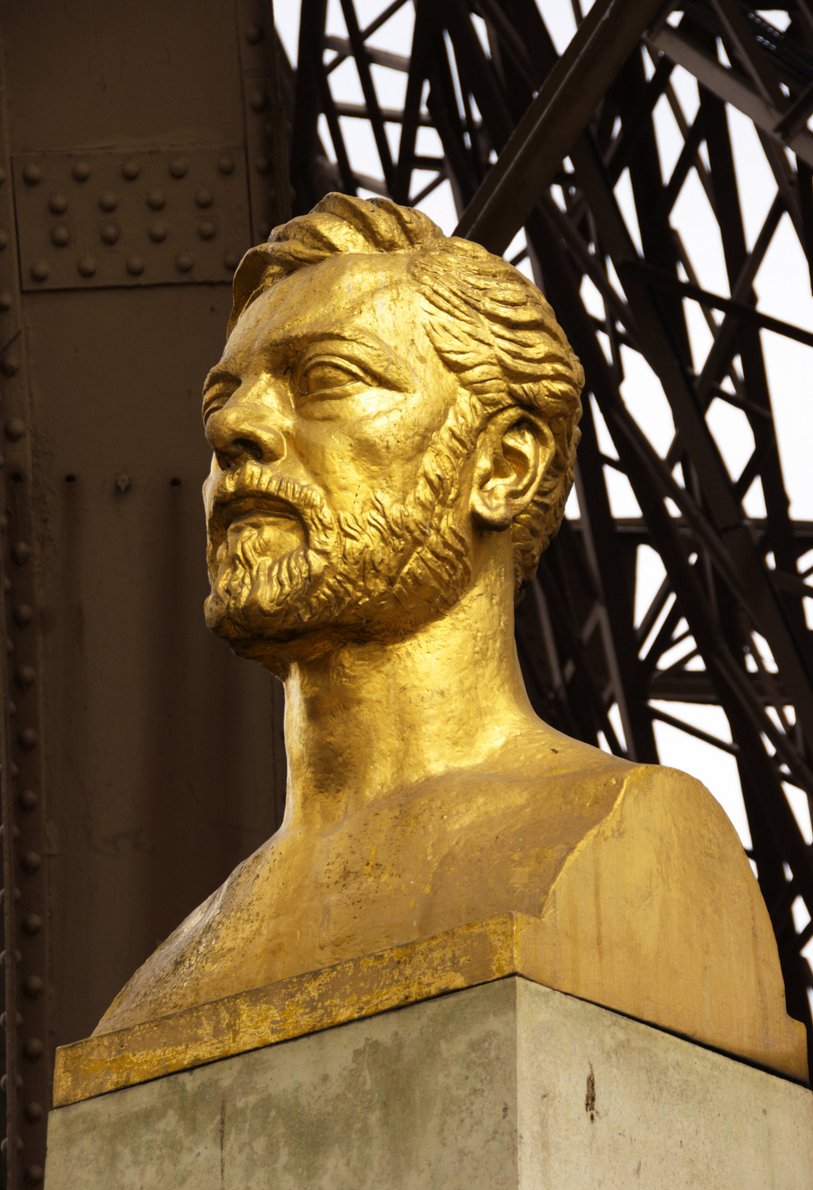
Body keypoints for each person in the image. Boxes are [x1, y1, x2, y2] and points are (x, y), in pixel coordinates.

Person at [95, 194, 803, 1078]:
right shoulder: (158, 991)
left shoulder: (635, 849)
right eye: (223, 395)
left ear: (502, 467)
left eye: (326, 379)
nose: (231, 430)